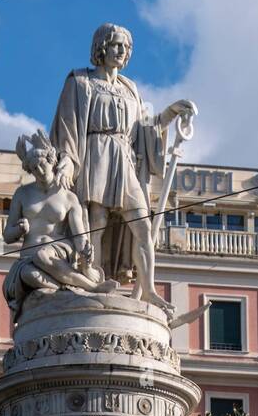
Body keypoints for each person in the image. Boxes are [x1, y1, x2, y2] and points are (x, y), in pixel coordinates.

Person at [50, 22, 195, 309]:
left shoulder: (130, 88)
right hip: (95, 153)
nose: (121, 50)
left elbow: (145, 129)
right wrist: (67, 162)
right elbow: (67, 126)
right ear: (101, 47)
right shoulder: (80, 82)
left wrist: (170, 113)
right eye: (116, 44)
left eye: (126, 47)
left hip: (124, 157)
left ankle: (149, 289)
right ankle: (93, 281)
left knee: (142, 225)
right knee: (97, 224)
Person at [3, 127, 116, 323]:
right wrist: (19, 229)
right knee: (31, 276)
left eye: (41, 165)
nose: (39, 171)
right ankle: (71, 289)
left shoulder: (69, 198)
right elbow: (7, 235)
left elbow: (80, 236)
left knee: (42, 255)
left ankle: (92, 288)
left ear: (51, 161)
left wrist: (85, 252)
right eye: (33, 168)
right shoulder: (22, 195)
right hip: (28, 259)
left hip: (59, 251)